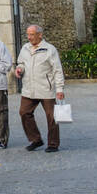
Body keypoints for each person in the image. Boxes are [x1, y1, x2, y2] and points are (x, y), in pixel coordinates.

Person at [15, 24, 65, 152]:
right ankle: (36, 140)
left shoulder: (49, 49)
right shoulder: (25, 48)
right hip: (29, 88)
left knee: (52, 117)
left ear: (40, 35)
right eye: (28, 34)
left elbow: (57, 70)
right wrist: (19, 69)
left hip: (46, 89)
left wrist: (59, 89)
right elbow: (21, 63)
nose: (29, 37)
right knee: (24, 112)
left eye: (32, 34)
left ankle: (53, 144)